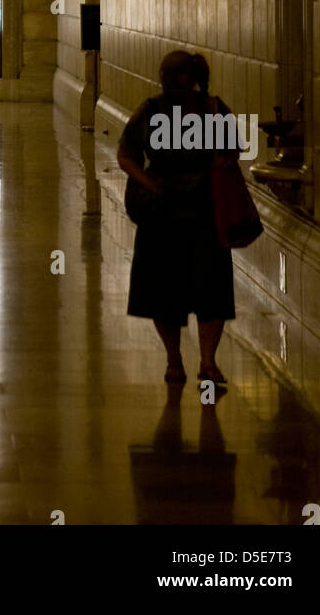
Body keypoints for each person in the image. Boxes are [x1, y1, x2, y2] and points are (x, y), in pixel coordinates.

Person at [117, 50, 239, 387]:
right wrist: (150, 183)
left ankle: (197, 361)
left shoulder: (155, 110)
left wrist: (150, 183)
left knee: (171, 290)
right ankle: (194, 361)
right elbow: (126, 155)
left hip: (176, 211)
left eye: (172, 75)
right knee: (204, 289)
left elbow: (126, 155)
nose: (167, 81)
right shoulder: (208, 109)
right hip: (192, 211)